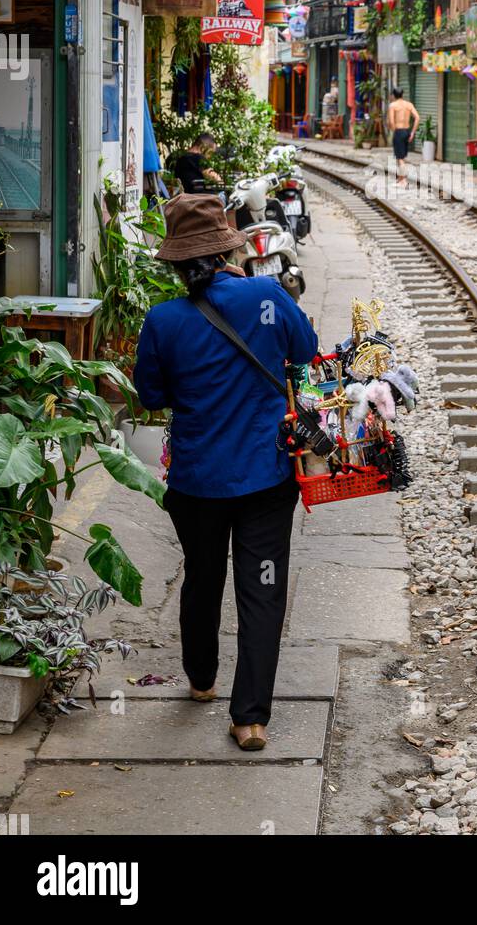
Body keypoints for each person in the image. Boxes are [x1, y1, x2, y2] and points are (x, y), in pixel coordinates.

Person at [134, 194, 318, 752]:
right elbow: (306, 351)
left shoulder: (163, 319)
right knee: (262, 590)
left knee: (203, 575)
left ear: (176, 263)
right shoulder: (266, 293)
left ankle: (200, 679)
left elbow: (151, 396)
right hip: (266, 478)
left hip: (196, 482)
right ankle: (250, 718)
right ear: (229, 248)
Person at [387, 86, 420, 187]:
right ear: (402, 94)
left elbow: (391, 121)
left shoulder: (393, 105)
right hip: (407, 131)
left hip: (399, 131)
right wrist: (412, 132)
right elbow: (417, 118)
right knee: (401, 156)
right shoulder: (409, 105)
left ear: (393, 95)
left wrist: (394, 131)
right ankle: (400, 178)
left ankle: (403, 181)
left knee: (400, 157)